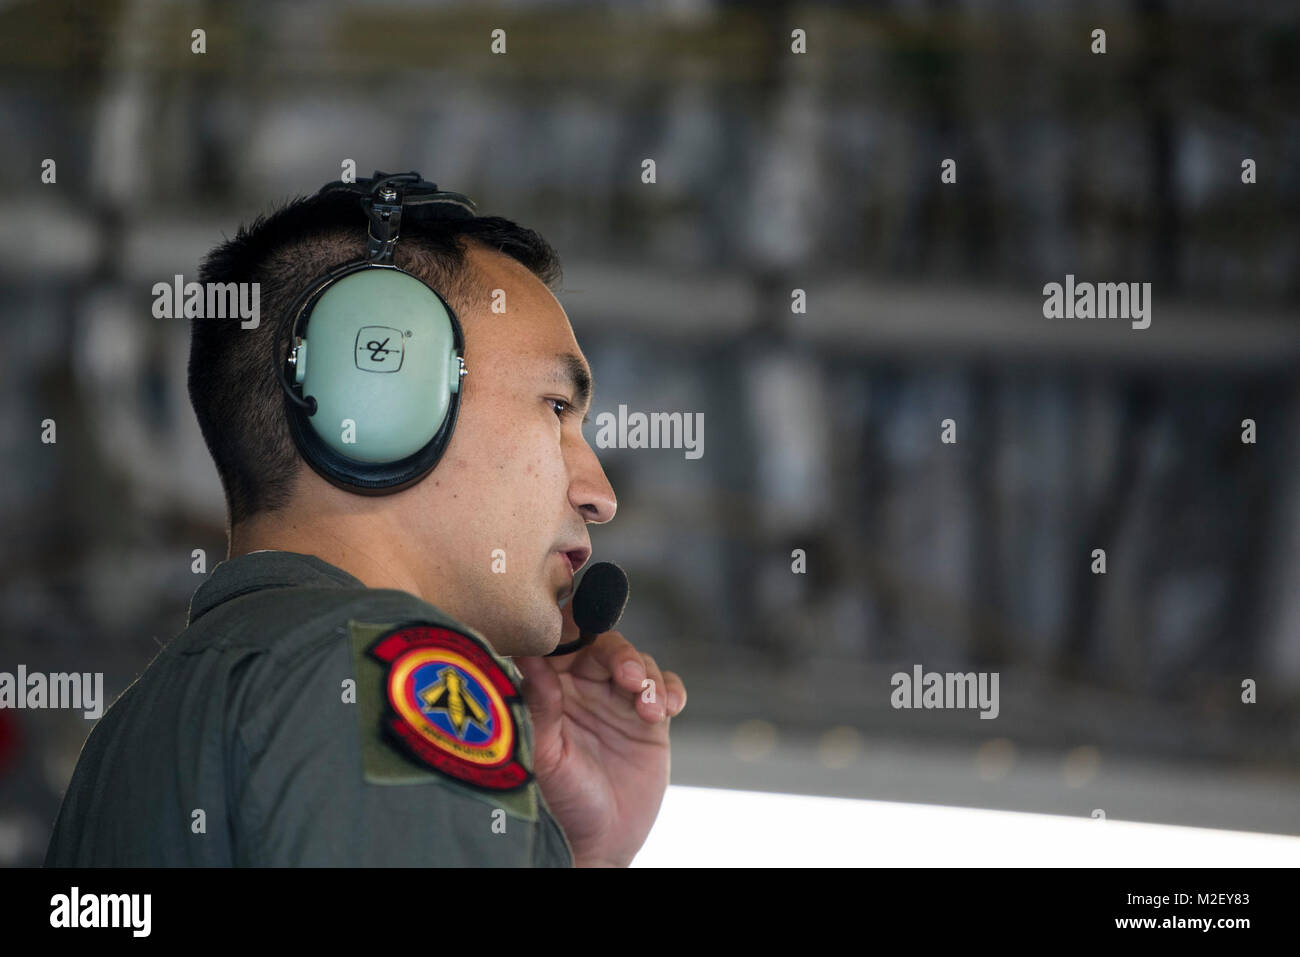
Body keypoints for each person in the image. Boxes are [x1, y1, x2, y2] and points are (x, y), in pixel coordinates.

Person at [44, 174, 686, 867]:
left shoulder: (135, 731)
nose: (600, 494)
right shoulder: (397, 673)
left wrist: (579, 852)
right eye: (557, 407)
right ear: (379, 394)